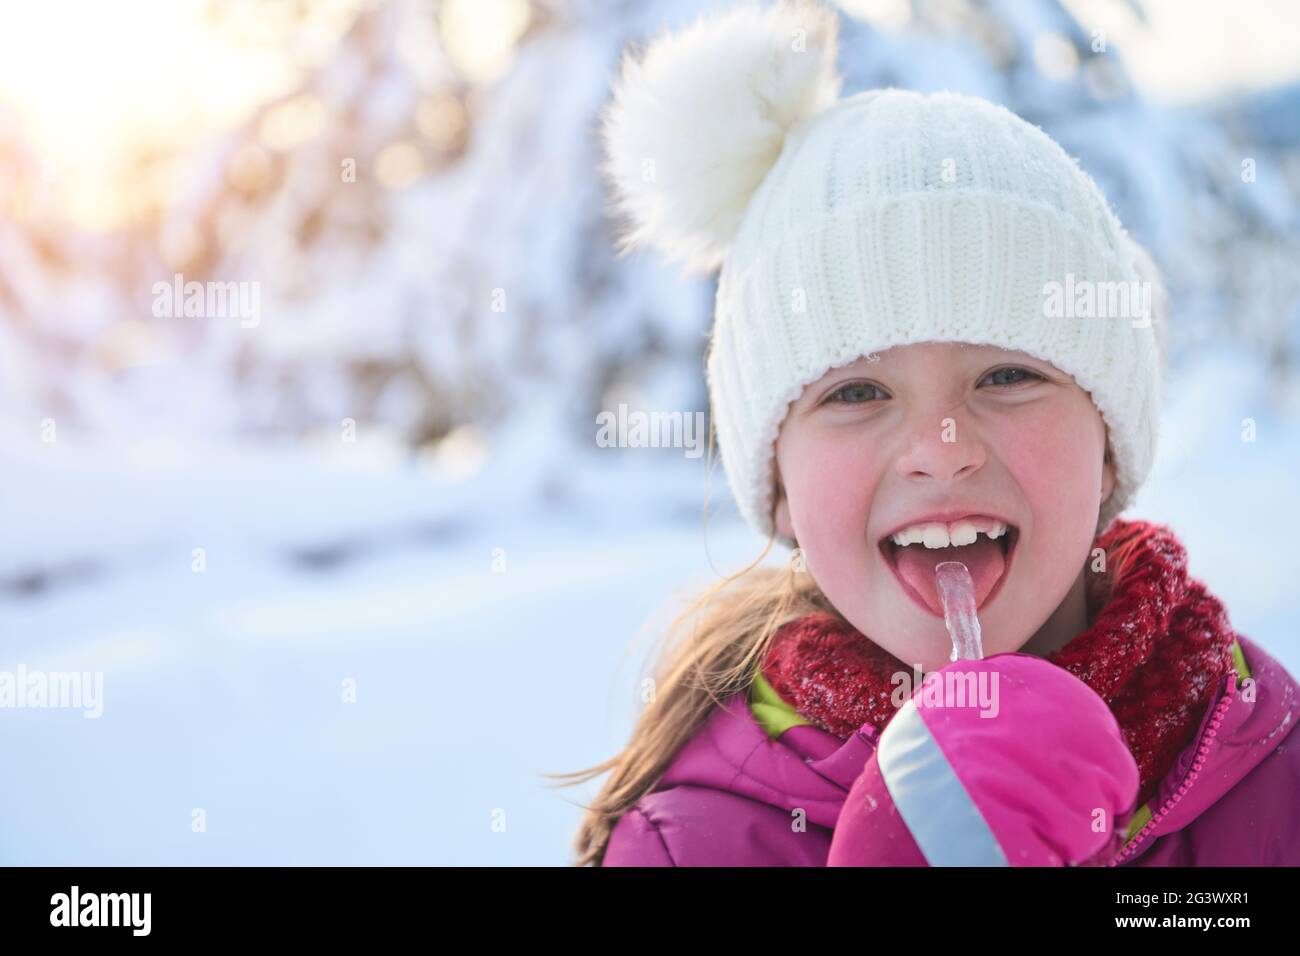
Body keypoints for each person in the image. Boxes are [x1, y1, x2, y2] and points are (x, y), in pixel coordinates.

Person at [555, 0, 1300, 866]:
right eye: (859, 391)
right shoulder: (697, 846)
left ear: (1107, 446)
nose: (943, 447)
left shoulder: (1268, 774)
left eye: (1008, 376)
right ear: (781, 487)